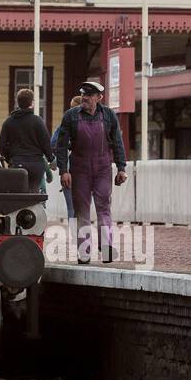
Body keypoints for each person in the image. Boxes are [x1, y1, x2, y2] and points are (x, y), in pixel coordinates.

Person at [54, 81, 127, 264]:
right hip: (79, 168)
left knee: (104, 207)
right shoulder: (71, 116)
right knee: (82, 211)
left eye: (90, 94)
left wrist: (121, 167)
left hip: (103, 167)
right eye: (83, 93)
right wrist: (64, 171)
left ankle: (107, 247)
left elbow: (117, 141)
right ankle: (84, 252)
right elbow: (61, 145)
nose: (85, 97)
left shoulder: (109, 115)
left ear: (99, 97)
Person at [0, 87, 54, 196]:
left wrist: (10, 159)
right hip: (36, 164)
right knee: (33, 196)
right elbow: (46, 143)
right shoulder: (38, 121)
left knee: (18, 197)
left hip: (17, 162)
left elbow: (2, 146)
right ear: (32, 103)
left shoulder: (9, 122)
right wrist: (51, 158)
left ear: (18, 103)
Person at [52, 96, 82, 224]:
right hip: (86, 170)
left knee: (71, 207)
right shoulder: (92, 123)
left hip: (68, 169)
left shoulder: (64, 124)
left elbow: (53, 143)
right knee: (83, 206)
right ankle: (82, 236)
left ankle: (74, 237)